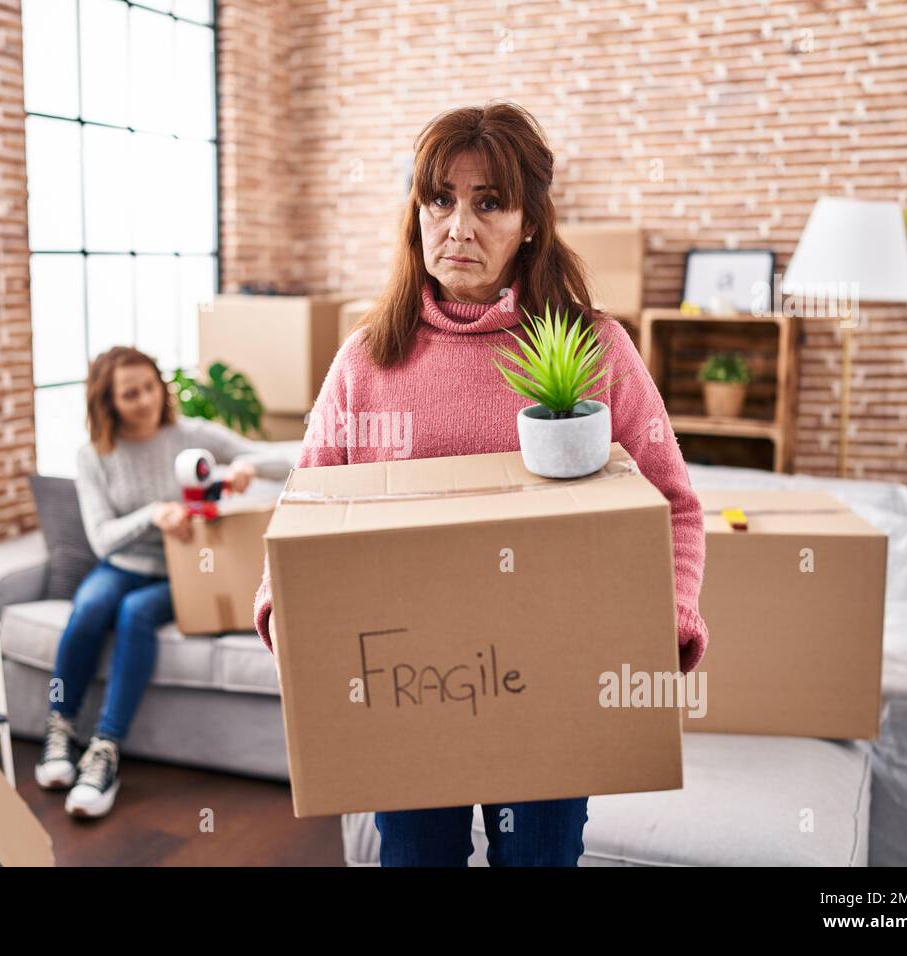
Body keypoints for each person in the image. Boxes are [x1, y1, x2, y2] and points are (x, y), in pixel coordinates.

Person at [253, 101, 709, 866]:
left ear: (531, 221)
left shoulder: (595, 349)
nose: (459, 225)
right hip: (407, 690)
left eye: (489, 202)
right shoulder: (367, 360)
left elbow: (675, 508)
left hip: (556, 695)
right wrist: (285, 613)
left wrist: (664, 621)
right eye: (441, 199)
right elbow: (306, 510)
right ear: (417, 211)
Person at [37, 345, 291, 818]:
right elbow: (101, 539)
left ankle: (106, 749)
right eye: (130, 394)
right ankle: (60, 727)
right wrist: (154, 514)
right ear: (108, 402)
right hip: (120, 565)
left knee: (134, 615)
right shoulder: (94, 456)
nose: (145, 401)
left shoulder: (189, 435)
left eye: (150, 387)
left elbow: (285, 454)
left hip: (184, 574)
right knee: (90, 609)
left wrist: (248, 469)